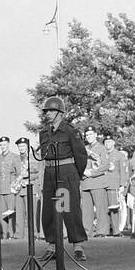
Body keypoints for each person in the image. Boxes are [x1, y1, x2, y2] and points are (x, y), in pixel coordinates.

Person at [38, 96, 89, 261]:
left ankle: (78, 246)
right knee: (48, 211)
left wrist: (75, 175)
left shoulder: (69, 131)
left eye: (52, 110)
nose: (48, 114)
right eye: (47, 111)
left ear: (60, 112)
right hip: (49, 173)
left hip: (66, 172)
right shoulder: (44, 132)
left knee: (69, 209)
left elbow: (81, 155)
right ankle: (52, 246)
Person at [79, 127, 110, 237]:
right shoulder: (83, 148)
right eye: (87, 135)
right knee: (86, 211)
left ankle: (102, 231)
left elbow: (105, 165)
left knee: (101, 209)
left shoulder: (101, 148)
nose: (89, 137)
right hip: (85, 182)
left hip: (97, 182)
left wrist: (91, 173)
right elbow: (79, 163)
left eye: (91, 134)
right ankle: (87, 231)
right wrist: (83, 171)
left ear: (95, 135)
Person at [0, 135, 21, 241]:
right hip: (1, 189)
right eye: (1, 145)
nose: (3, 147)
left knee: (11, 211)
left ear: (8, 144)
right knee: (3, 213)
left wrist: (15, 186)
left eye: (5, 144)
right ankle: (4, 233)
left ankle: (11, 232)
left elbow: (19, 173)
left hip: (10, 188)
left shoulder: (14, 157)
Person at [103, 135, 129, 236]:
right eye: (106, 142)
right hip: (103, 184)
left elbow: (123, 171)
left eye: (110, 142)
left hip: (114, 184)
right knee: (104, 209)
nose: (107, 144)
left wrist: (122, 185)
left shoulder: (119, 155)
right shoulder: (103, 154)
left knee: (114, 209)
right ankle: (106, 230)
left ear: (113, 143)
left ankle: (116, 230)